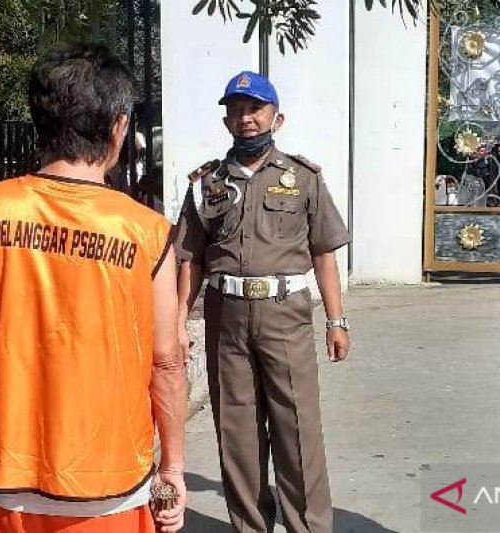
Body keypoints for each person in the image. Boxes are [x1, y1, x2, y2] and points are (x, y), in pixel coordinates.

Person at [0, 43, 186, 533]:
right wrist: (173, 468)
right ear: (119, 127)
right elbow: (166, 359)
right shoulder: (145, 231)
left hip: (0, 473)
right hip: (107, 483)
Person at [174, 70, 351, 533]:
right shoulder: (208, 182)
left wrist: (337, 321)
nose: (245, 118)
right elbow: (190, 258)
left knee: (297, 429)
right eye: (236, 109)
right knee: (236, 432)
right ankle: (250, 526)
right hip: (226, 316)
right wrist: (177, 323)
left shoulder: (303, 178)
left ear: (277, 117)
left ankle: (308, 527)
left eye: (255, 109)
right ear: (226, 119)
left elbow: (323, 253)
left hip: (285, 316)